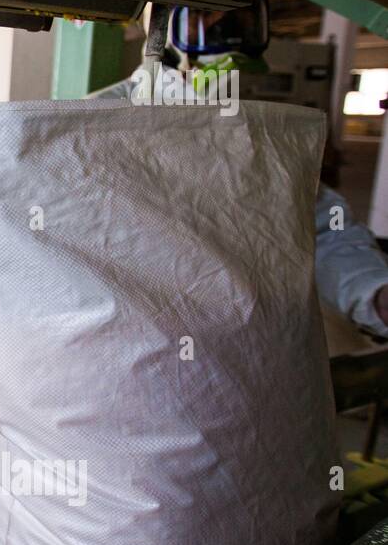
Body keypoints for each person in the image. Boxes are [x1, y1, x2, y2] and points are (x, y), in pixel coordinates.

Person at [93, 59, 388, 341]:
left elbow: (319, 233)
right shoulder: (84, 150)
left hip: (250, 364)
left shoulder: (242, 154)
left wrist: (373, 292)